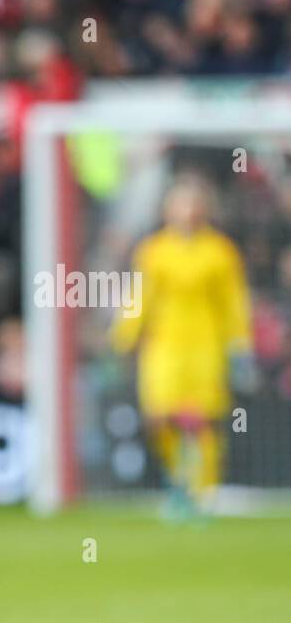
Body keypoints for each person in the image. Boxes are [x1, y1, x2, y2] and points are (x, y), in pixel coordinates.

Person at [112, 178, 253, 518]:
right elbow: (140, 297)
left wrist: (240, 343)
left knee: (202, 420)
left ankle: (204, 490)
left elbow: (233, 301)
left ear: (204, 209)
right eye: (181, 203)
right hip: (164, 345)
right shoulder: (154, 251)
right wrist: (124, 335)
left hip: (206, 344)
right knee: (161, 417)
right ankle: (179, 482)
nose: (187, 211)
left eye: (194, 203)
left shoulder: (220, 251)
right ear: (168, 209)